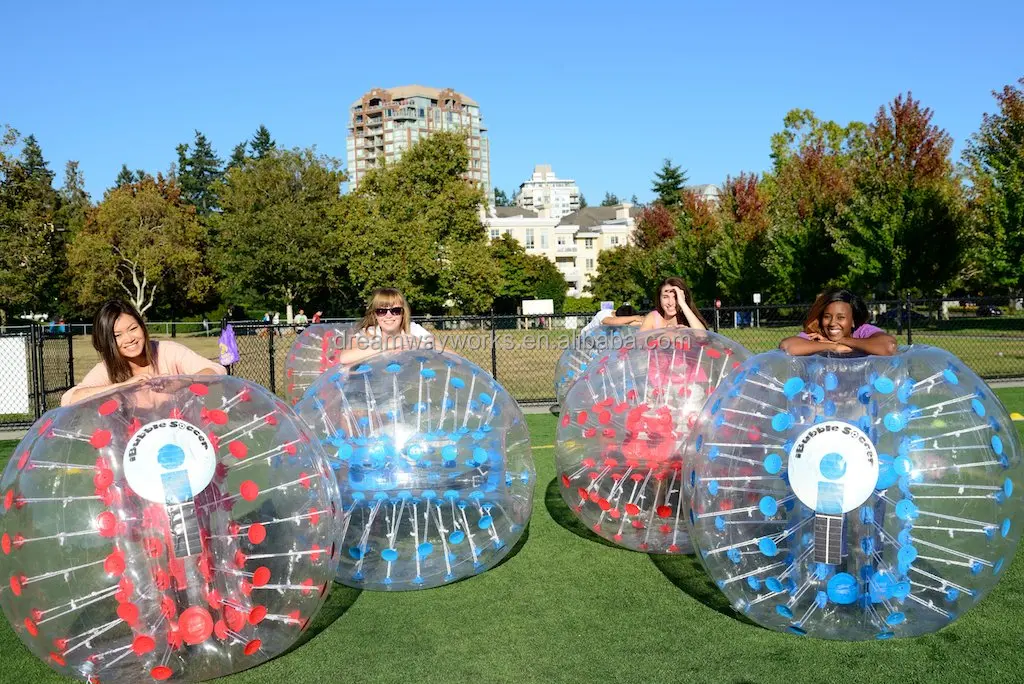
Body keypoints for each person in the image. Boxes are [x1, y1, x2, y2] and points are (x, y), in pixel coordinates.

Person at [61, 299, 226, 406]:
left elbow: (216, 370)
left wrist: (181, 381)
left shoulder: (168, 351)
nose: (129, 339)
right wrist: (123, 387)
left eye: (133, 329)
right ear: (107, 342)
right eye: (117, 336)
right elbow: (69, 399)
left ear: (142, 326)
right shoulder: (106, 369)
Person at [779, 288, 897, 356]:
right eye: (827, 316)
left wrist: (842, 341)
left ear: (853, 321)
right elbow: (787, 346)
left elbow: (889, 346)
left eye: (841, 318)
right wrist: (833, 346)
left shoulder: (863, 331)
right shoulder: (817, 334)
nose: (832, 323)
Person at [336, 288, 436, 365]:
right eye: (381, 311)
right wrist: (389, 345)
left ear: (403, 313)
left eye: (395, 311)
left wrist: (421, 344)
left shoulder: (413, 329)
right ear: (374, 315)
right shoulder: (368, 333)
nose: (389, 315)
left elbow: (449, 353)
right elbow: (345, 358)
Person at [639, 277, 708, 331]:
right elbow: (640, 341)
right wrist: (664, 333)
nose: (670, 303)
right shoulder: (653, 317)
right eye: (665, 297)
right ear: (659, 298)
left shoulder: (689, 320)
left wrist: (683, 304)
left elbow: (703, 337)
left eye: (675, 297)